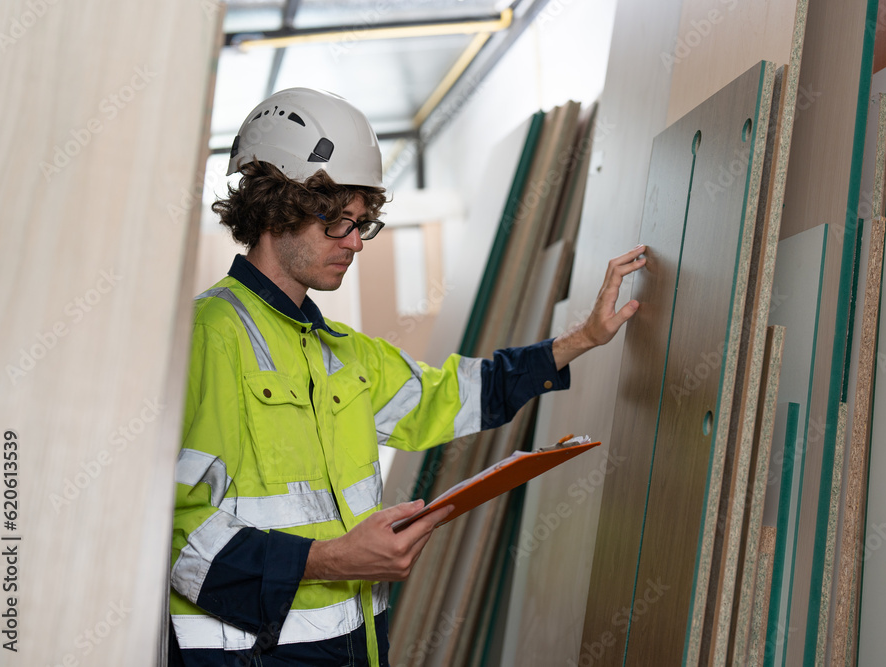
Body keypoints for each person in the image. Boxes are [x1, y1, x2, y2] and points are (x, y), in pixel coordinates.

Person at [168, 87, 646, 667]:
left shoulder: (342, 354)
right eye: (333, 220)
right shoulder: (204, 337)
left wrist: (583, 339)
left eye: (361, 224)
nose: (353, 242)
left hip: (358, 647)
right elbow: (175, 536)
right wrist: (331, 560)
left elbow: (461, 395)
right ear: (273, 207)